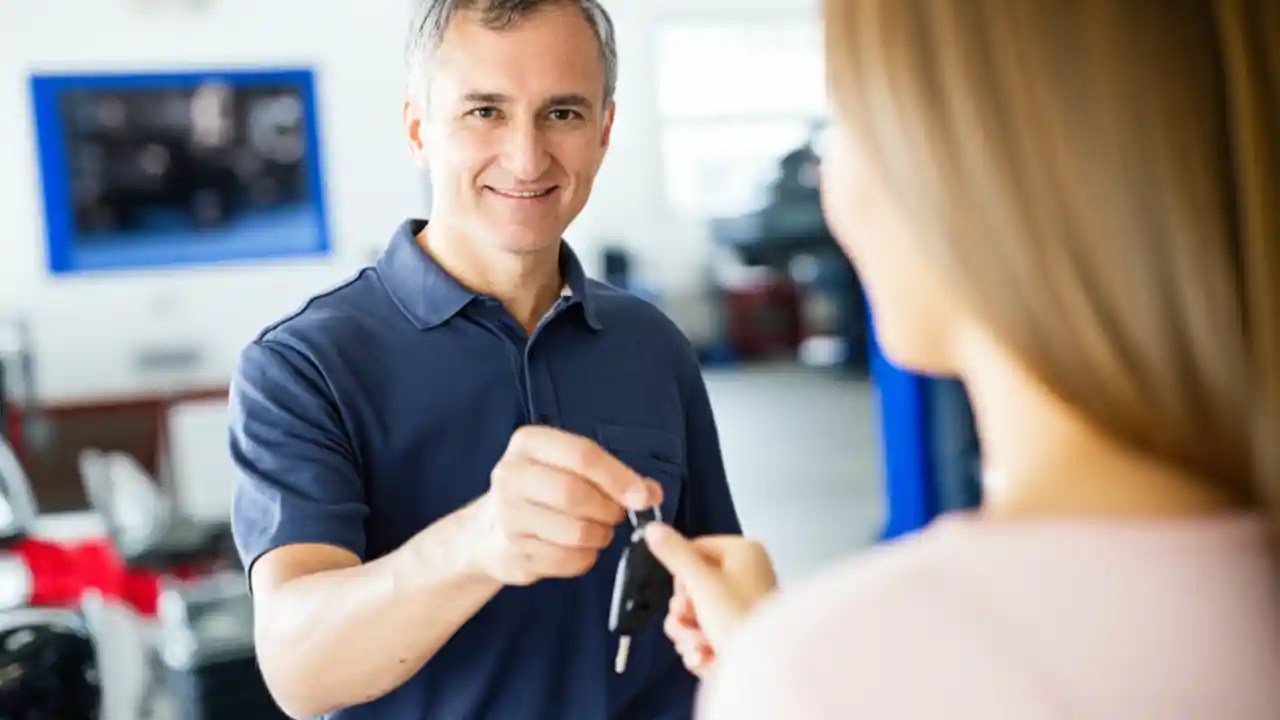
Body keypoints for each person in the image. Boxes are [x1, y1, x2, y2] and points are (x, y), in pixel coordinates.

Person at [644, 1, 1280, 717]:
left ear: (969, 171)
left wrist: (787, 670)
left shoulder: (824, 672)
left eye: (850, 123)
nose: (835, 188)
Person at [228, 1, 740, 718]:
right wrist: (478, 544)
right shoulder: (303, 366)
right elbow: (299, 669)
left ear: (604, 131)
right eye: (484, 112)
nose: (527, 158)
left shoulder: (653, 345)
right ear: (418, 128)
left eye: (561, 112)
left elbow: (721, 594)